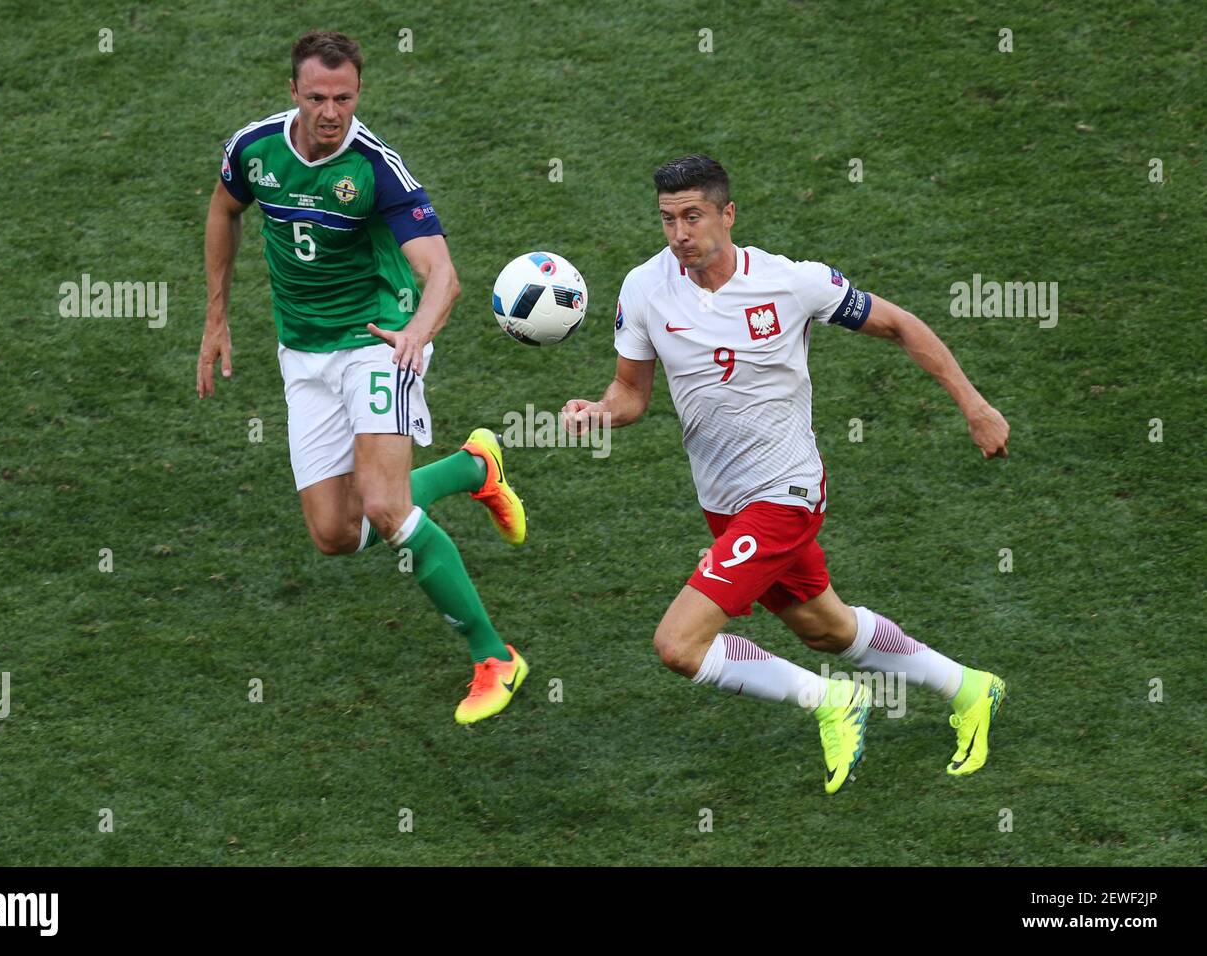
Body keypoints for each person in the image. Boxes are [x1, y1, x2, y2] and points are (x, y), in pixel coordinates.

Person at [562, 155, 1009, 792]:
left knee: (678, 645)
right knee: (827, 629)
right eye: (667, 220)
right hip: (722, 502)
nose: (679, 233)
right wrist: (597, 413)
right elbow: (630, 394)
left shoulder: (792, 283)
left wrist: (976, 406)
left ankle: (833, 702)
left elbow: (901, 325)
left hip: (786, 493)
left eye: (692, 216)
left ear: (727, 213)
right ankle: (970, 687)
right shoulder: (643, 290)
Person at [198, 31, 527, 724]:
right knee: (335, 535)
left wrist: (416, 332)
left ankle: (494, 654)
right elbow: (224, 210)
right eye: (317, 97)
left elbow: (442, 274)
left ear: (358, 95)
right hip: (303, 353)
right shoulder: (254, 150)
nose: (330, 111)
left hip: (380, 340)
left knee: (384, 507)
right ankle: (474, 468)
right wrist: (215, 319)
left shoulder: (377, 171)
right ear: (293, 92)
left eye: (343, 98)